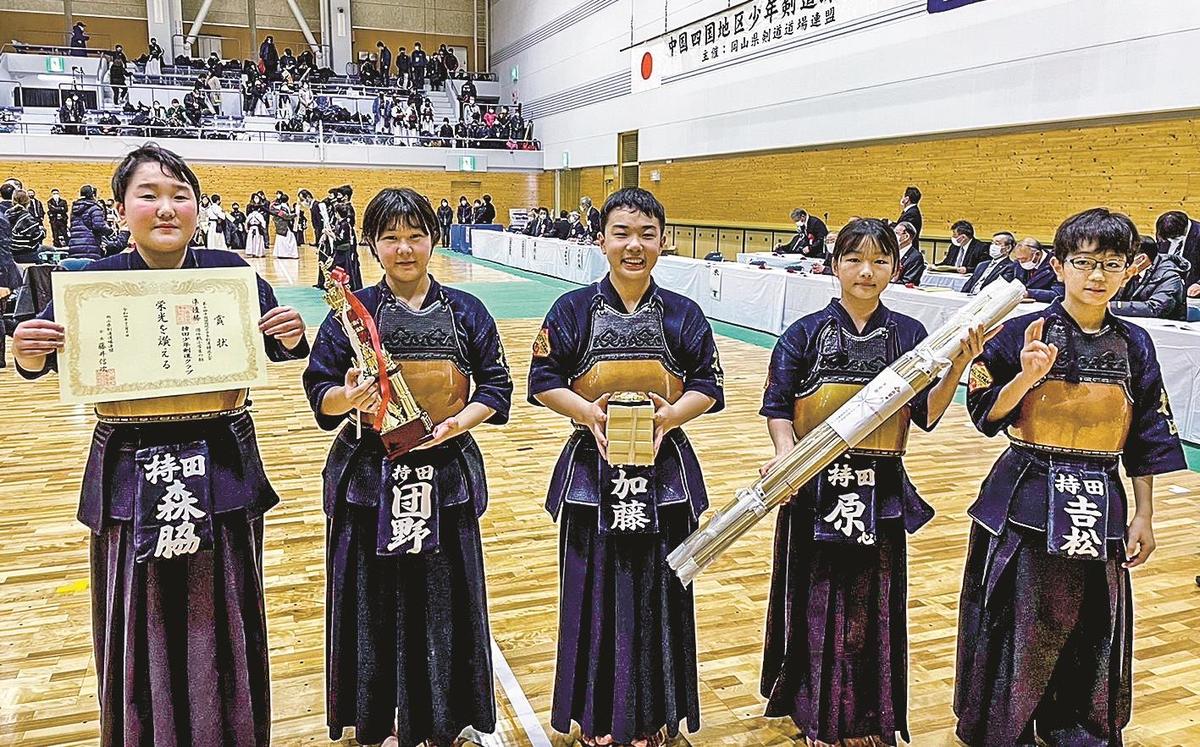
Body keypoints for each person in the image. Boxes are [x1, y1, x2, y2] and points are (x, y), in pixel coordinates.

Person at [10, 144, 309, 747]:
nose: (166, 208)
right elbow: (38, 362)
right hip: (128, 468)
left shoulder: (232, 273)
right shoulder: (90, 285)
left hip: (221, 459)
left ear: (198, 209)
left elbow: (280, 348)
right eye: (149, 195)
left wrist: (290, 334)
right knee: (138, 611)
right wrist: (26, 350)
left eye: (181, 196)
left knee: (224, 609)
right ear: (121, 210)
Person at [953, 208, 1185, 746]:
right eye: (1083, 262)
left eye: (1110, 264)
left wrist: (1144, 514)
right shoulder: (1020, 332)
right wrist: (1026, 379)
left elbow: (1147, 433)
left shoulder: (1135, 345)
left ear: (1132, 270)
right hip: (1026, 493)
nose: (1096, 276)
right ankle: (1003, 727)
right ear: (1058, 267)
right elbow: (985, 413)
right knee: (1020, 621)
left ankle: (1076, 727)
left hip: (1100, 498)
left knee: (1089, 623)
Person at [759, 218, 985, 746]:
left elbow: (926, 414)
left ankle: (867, 716)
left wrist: (959, 363)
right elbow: (778, 407)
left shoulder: (909, 335)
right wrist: (786, 457)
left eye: (880, 261)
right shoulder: (805, 333)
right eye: (854, 259)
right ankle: (817, 713)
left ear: (895, 268)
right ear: (834, 264)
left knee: (872, 603)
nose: (866, 271)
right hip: (815, 484)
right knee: (813, 598)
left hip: (880, 487)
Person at [303, 187, 511, 747]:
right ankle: (379, 718)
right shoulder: (351, 315)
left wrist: (458, 423)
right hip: (369, 479)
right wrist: (347, 398)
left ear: (433, 239)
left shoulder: (467, 311)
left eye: (415, 235)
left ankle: (445, 716)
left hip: (444, 476)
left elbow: (497, 384)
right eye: (390, 237)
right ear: (371, 244)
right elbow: (317, 388)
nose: (404, 249)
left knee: (445, 600)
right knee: (373, 602)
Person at [529, 187, 724, 747]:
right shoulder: (572, 310)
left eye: (646, 234)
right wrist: (587, 412)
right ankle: (596, 718)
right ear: (601, 240)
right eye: (622, 233)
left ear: (663, 242)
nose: (634, 246)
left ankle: (656, 716)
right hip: (592, 474)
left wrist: (670, 418)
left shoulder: (684, 314)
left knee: (663, 593)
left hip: (665, 476)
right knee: (592, 592)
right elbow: (543, 381)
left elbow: (709, 384)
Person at [1110, 236, 1189, 320]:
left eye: (1123, 257)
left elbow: (1155, 308)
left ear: (1141, 259)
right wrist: (1122, 283)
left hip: (1162, 330)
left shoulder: (1170, 276)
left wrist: (1113, 307)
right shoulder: (1127, 272)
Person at [1154, 210, 1200, 297]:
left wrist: (1199, 284)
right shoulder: (1164, 228)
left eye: (1173, 239)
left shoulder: (1198, 234)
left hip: (1191, 291)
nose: (1170, 241)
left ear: (1184, 230)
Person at [69, 185, 113, 260]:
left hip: (74, 246)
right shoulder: (95, 208)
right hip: (90, 247)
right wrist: (110, 231)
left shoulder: (74, 209)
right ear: (92, 195)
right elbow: (98, 226)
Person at [1012, 237, 1058, 302]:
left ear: (1037, 254)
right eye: (1018, 259)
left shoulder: (1056, 265)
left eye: (1023, 259)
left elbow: (1058, 294)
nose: (1020, 262)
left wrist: (1029, 293)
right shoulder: (1018, 263)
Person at [7, 189, 48, 262]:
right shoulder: (27, 218)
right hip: (26, 252)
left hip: (9, 253)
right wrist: (43, 231)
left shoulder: (6, 216)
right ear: (28, 202)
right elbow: (36, 237)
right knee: (50, 251)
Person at [894, 220, 925, 285]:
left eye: (896, 233)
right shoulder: (890, 252)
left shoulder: (916, 257)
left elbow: (908, 281)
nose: (893, 236)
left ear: (906, 237)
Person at [270, 194, 299, 259]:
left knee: (282, 240)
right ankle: (290, 254)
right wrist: (295, 215)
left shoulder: (279, 206)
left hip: (281, 225)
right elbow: (286, 216)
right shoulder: (282, 207)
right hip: (284, 226)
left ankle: (282, 253)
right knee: (290, 240)